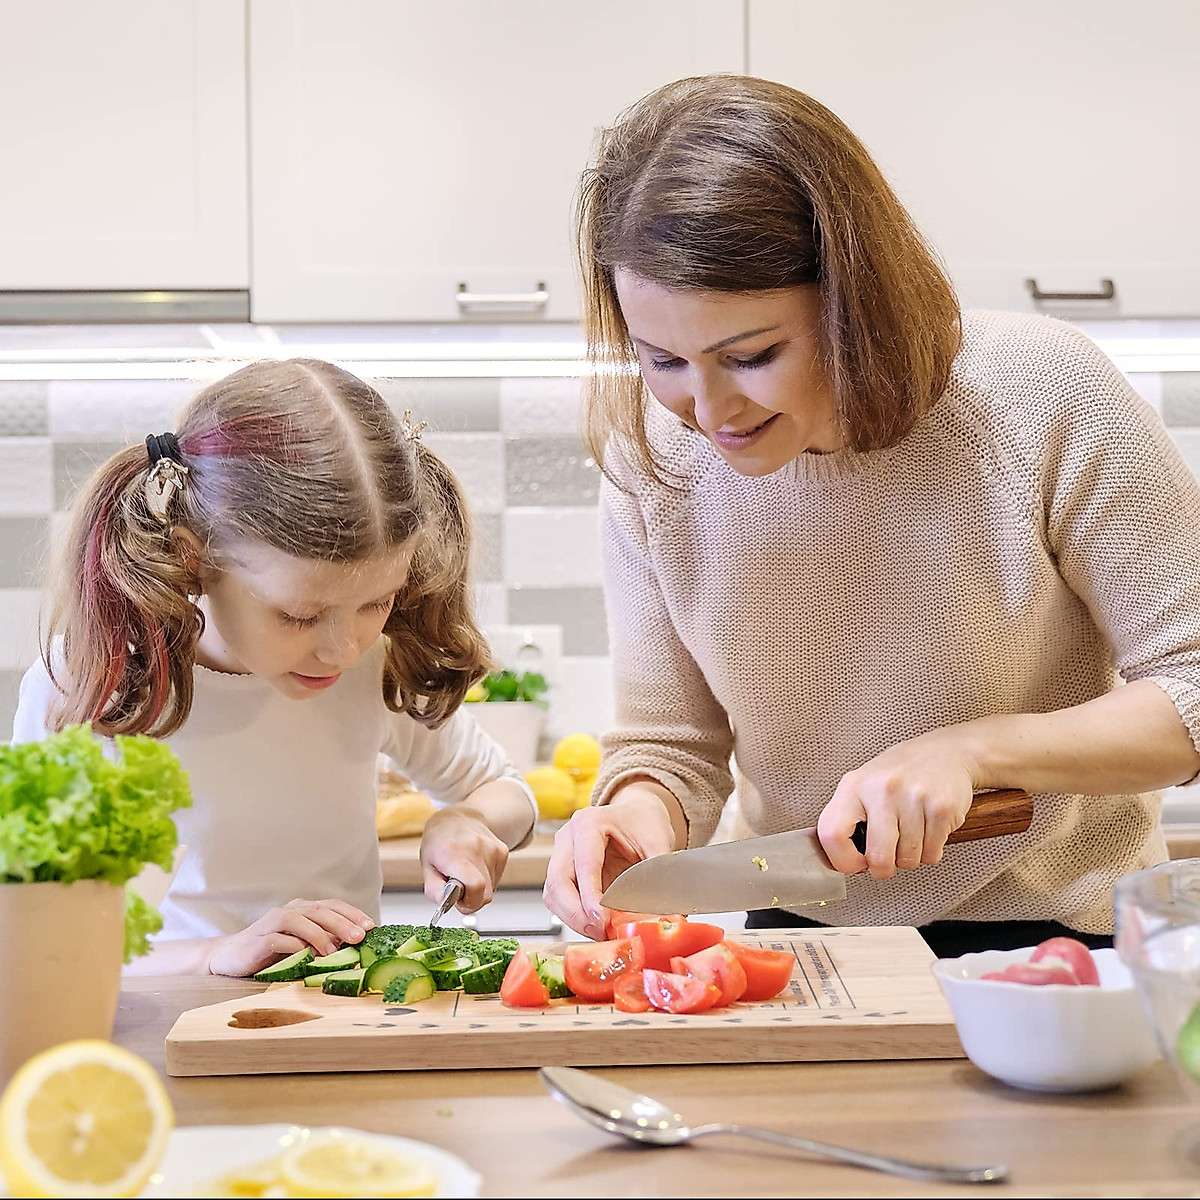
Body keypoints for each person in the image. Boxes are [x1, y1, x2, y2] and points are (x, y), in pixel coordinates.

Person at [542, 74, 1200, 957]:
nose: (707, 409)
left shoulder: (1042, 395)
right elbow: (672, 745)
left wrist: (976, 752)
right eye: (662, 359)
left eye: (751, 355)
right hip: (800, 934)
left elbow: (1190, 690)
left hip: (1065, 939)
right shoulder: (650, 458)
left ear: (855, 297)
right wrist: (632, 817)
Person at [12, 358, 536, 976]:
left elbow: (509, 795)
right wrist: (213, 955)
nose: (342, 648)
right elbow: (38, 941)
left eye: (376, 602)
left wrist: (466, 819)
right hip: (162, 1029)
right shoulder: (91, 685)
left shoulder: (374, 666)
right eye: (298, 615)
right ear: (194, 558)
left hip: (331, 1025)